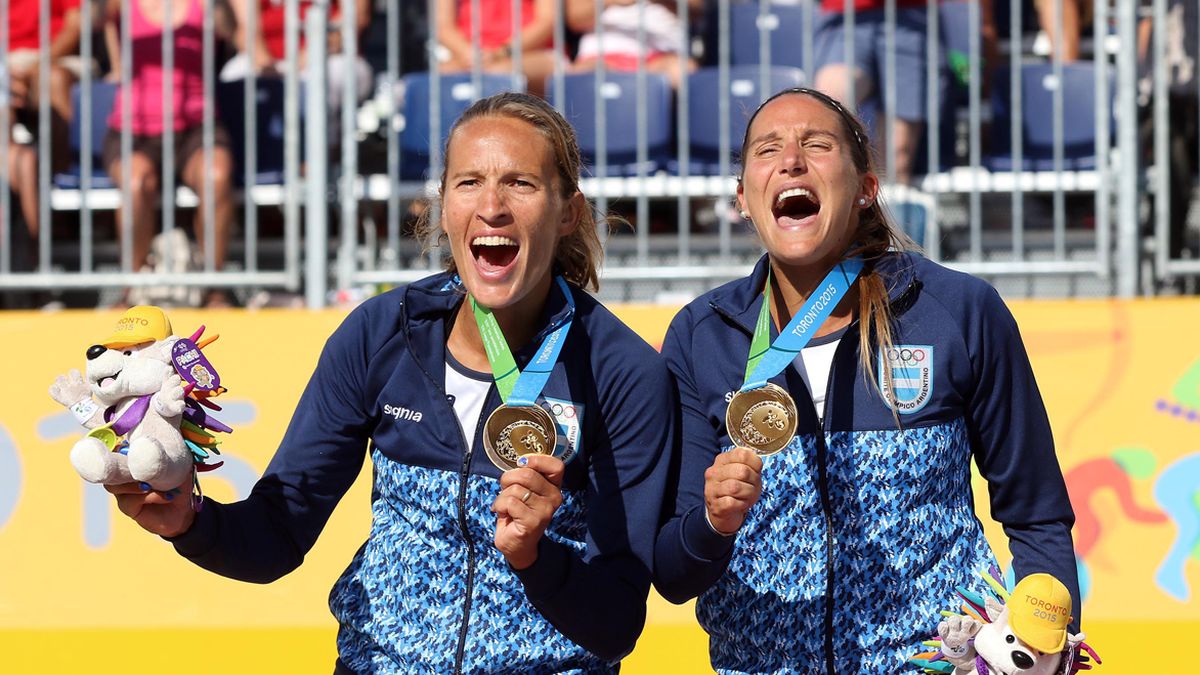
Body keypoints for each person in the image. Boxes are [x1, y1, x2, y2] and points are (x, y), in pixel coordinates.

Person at [103, 92, 676, 672]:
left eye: (522, 183)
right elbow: (276, 535)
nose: (492, 206)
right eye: (469, 182)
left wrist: (537, 559)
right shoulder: (381, 334)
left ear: (568, 212)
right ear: (443, 208)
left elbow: (617, 624)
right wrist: (190, 521)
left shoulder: (622, 372)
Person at [652, 87, 1080, 672]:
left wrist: (1045, 645)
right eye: (767, 149)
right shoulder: (702, 335)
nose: (791, 161)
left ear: (865, 188)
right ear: (743, 200)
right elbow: (675, 575)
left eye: (817, 145)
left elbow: (1036, 513)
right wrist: (712, 523)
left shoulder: (959, 309)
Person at [103, 0, 235, 307]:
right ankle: (131, 288)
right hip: (133, 129)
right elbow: (93, 17)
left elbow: (230, 29)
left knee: (217, 176)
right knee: (137, 183)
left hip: (196, 127)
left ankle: (213, 287)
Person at [811, 0, 929, 184]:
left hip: (911, 17)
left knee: (898, 158)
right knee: (824, 118)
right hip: (843, 16)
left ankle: (881, 209)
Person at [5, 0, 83, 250]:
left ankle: (55, 188)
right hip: (7, 63)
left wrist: (37, 66)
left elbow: (74, 26)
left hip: (52, 58)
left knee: (52, 78)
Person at [435, 0, 560, 98]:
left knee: (497, 76)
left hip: (532, 52)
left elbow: (547, 21)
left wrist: (499, 53)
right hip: (472, 56)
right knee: (441, 76)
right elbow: (443, 26)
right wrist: (470, 54)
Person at [566, 0, 700, 90]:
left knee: (682, 72)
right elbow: (575, 19)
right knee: (578, 78)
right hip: (600, 56)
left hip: (662, 56)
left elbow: (697, 9)